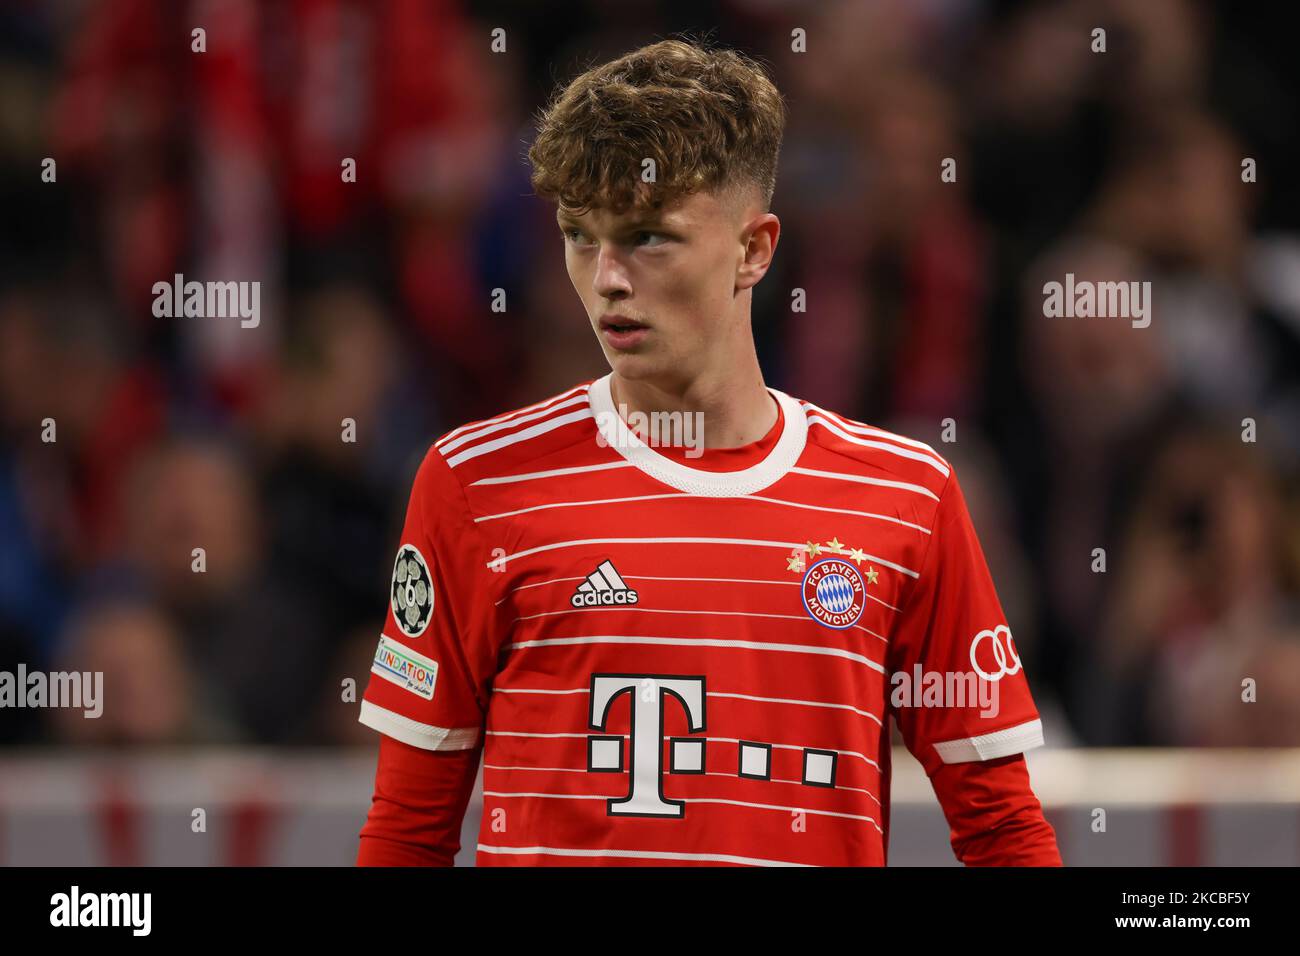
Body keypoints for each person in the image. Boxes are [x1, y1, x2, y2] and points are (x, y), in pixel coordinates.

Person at [355, 37, 1060, 867]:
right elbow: (408, 829)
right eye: (581, 236)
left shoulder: (906, 497)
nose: (608, 277)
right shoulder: (478, 483)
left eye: (649, 237)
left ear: (755, 249)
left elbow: (1002, 829)